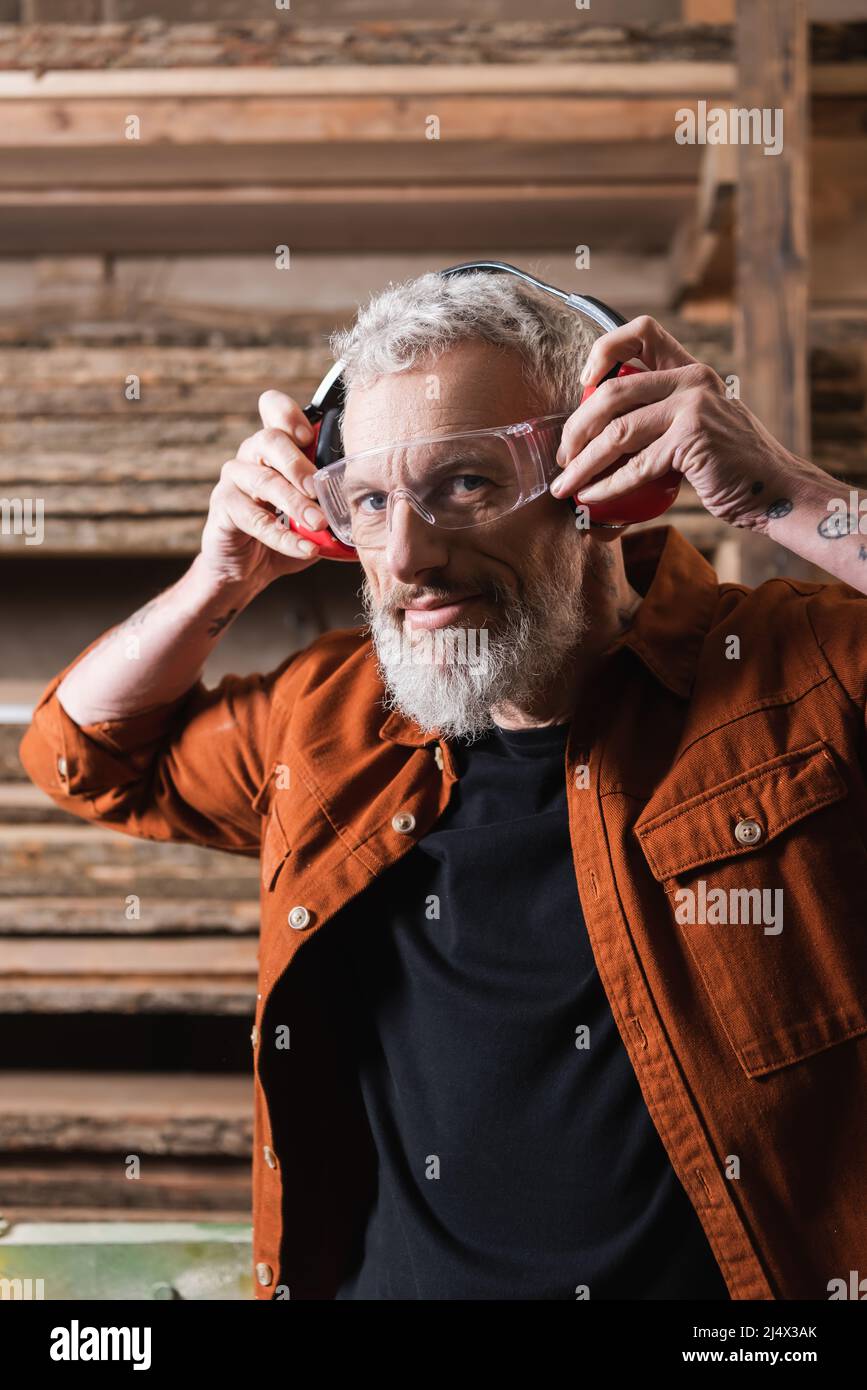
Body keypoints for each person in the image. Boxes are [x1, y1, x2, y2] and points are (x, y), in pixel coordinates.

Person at [20, 270, 867, 1301]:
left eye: (466, 484)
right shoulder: (328, 720)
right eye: (370, 502)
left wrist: (793, 496)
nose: (410, 557)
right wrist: (219, 577)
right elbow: (87, 755)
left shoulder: (800, 676)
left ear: (611, 486)